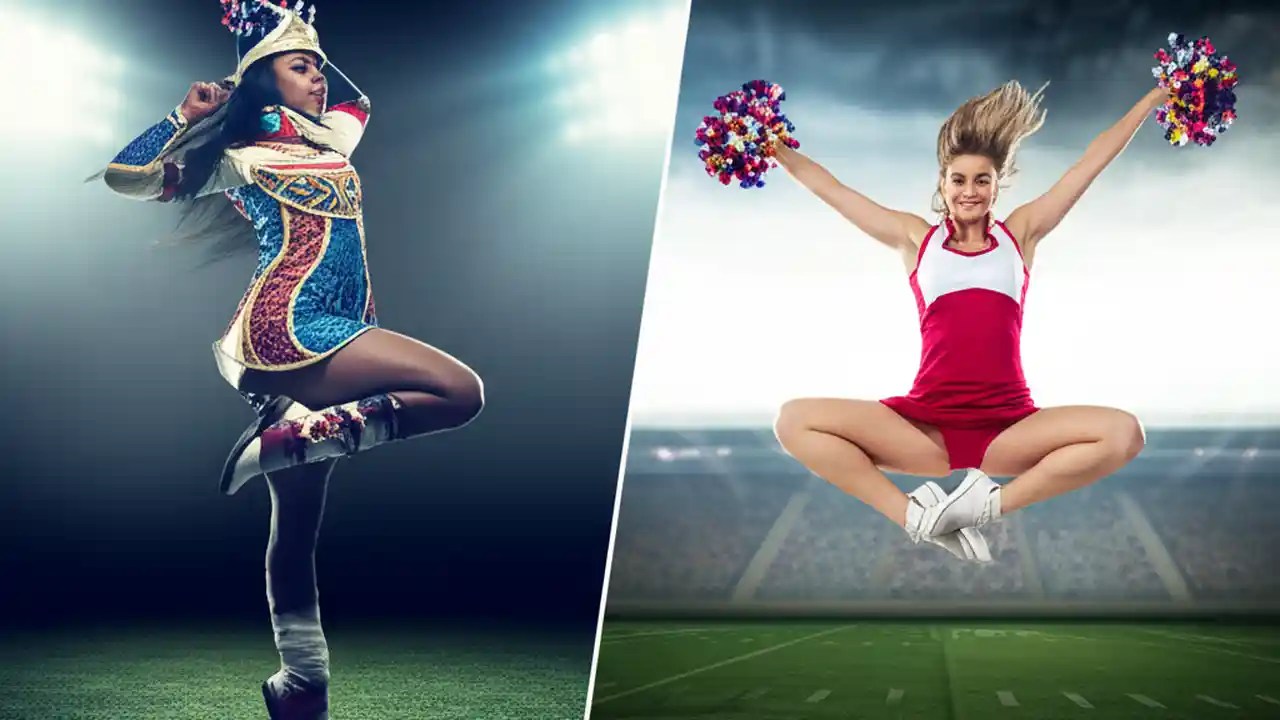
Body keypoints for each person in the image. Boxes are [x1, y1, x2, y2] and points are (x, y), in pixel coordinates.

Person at [99, 4, 482, 718]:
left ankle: (301, 682)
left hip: (337, 326)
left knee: (297, 528)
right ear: (262, 81)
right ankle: (278, 440)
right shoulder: (241, 158)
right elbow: (127, 176)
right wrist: (185, 113)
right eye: (301, 68)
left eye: (316, 68)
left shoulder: (331, 139)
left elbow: (356, 99)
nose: (318, 80)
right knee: (460, 392)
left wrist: (292, 36)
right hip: (289, 327)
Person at [771, 80, 1159, 563]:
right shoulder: (916, 239)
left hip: (1007, 427)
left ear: (998, 185)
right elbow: (832, 189)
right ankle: (918, 518)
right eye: (958, 179)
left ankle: (981, 508)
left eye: (982, 180)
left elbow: (1091, 162)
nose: (969, 191)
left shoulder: (1021, 234)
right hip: (925, 426)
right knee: (793, 421)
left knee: (1125, 433)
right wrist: (776, 149)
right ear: (942, 184)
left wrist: (1155, 96)